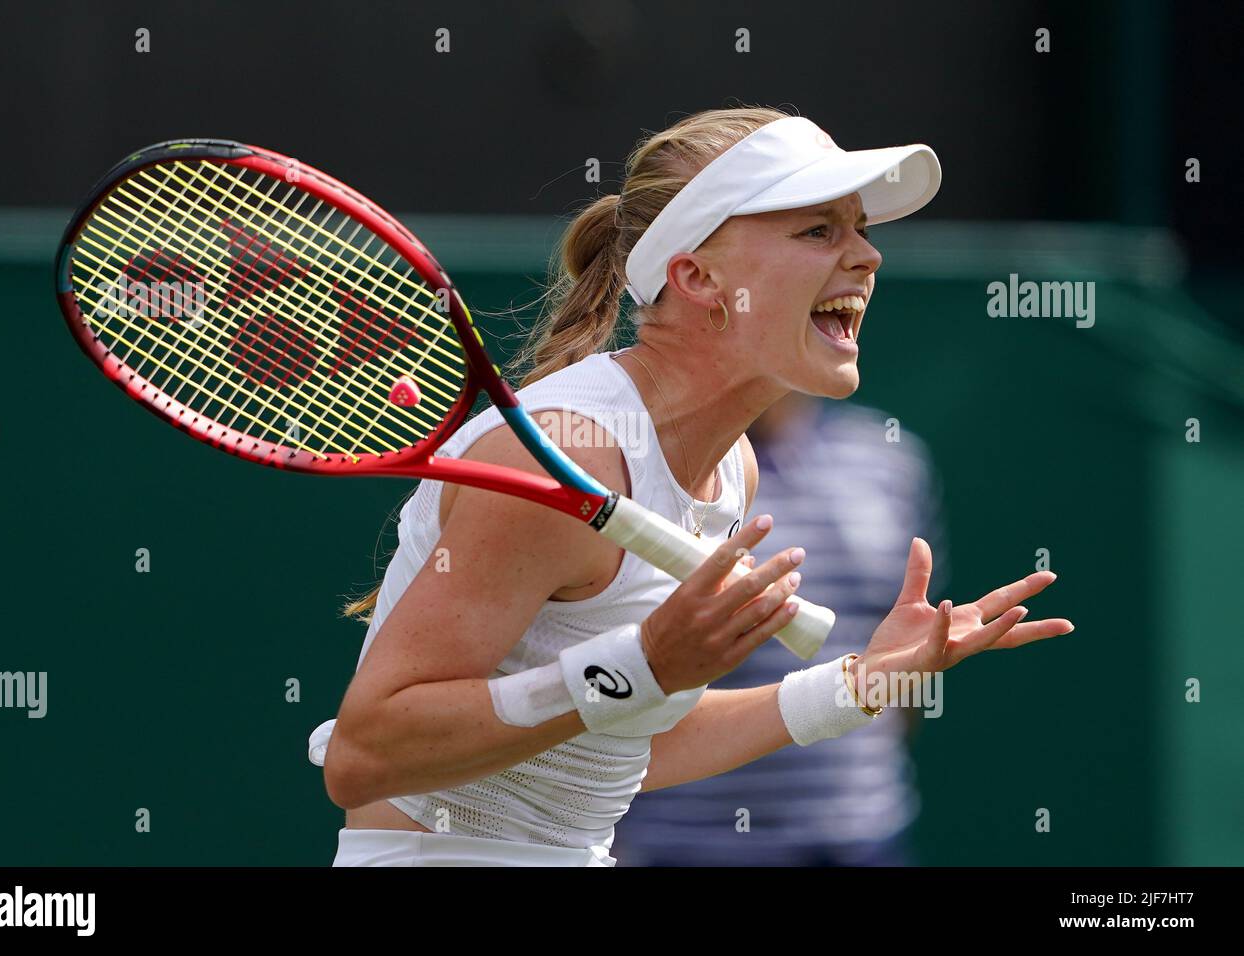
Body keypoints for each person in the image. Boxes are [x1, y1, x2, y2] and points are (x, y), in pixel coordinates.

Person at [307, 105, 1073, 867]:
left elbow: (619, 745)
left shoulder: (728, 465)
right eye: (818, 230)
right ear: (698, 276)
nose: (867, 257)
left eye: (861, 229)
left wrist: (858, 683)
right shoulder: (560, 459)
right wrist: (641, 665)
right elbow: (366, 756)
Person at [609, 394, 947, 866]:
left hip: (863, 834)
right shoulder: (639, 465)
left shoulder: (891, 460)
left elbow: (908, 648)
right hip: (680, 845)